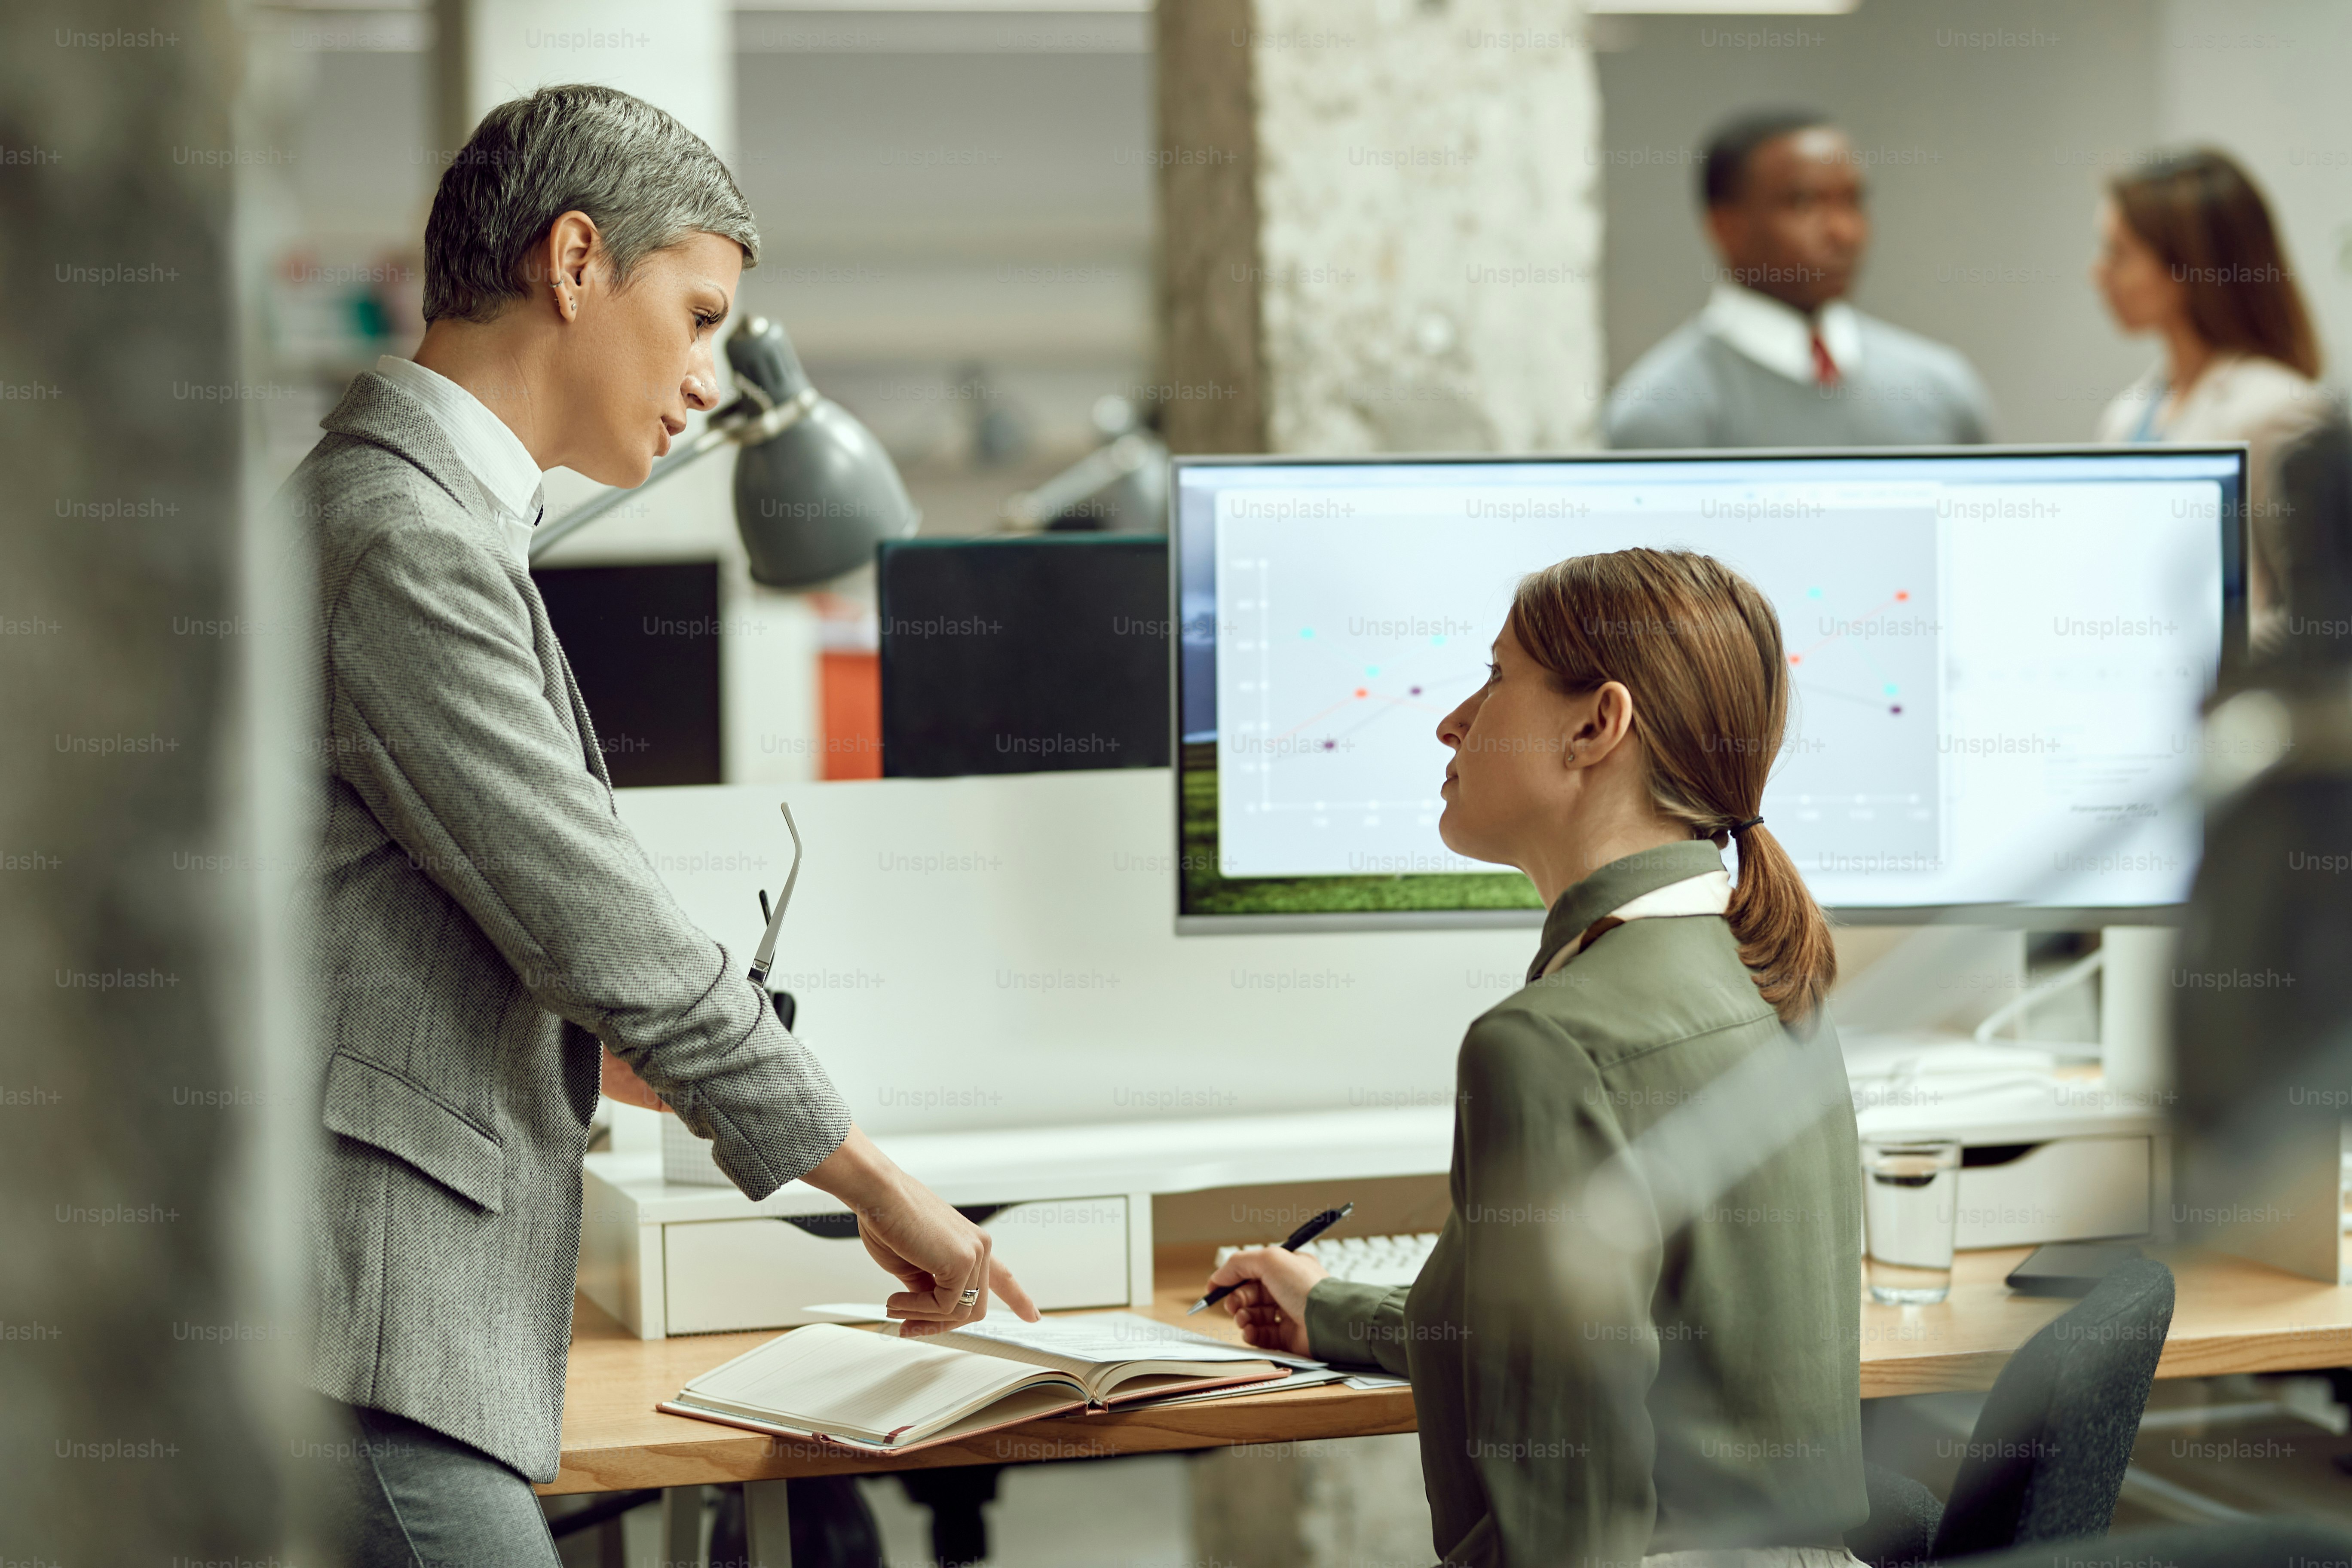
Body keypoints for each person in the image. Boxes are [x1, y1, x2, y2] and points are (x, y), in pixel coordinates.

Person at [279, 84, 1036, 1566]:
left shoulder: (407, 522)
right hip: (363, 1334)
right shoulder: (400, 541)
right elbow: (605, 927)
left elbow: (414, 921)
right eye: (696, 317)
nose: (707, 377)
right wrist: (881, 1186)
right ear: (574, 263)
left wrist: (617, 1048)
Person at [1205, 549, 1867, 1567]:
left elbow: (1564, 1525)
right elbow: (1570, 1348)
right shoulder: (1772, 973)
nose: (1451, 721)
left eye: (1493, 675)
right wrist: (1325, 1309)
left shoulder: (1542, 1045)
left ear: (1594, 725)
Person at [1606, 108, 1992, 450]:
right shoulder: (1664, 416)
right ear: (1726, 226)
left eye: (1853, 201)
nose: (1844, 232)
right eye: (1804, 204)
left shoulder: (1941, 389)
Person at [2092, 149, 2329, 643]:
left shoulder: (2279, 410)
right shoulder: (2128, 413)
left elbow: (2317, 614)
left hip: (2237, 704)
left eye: (2120, 254)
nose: (2099, 273)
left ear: (2186, 266)